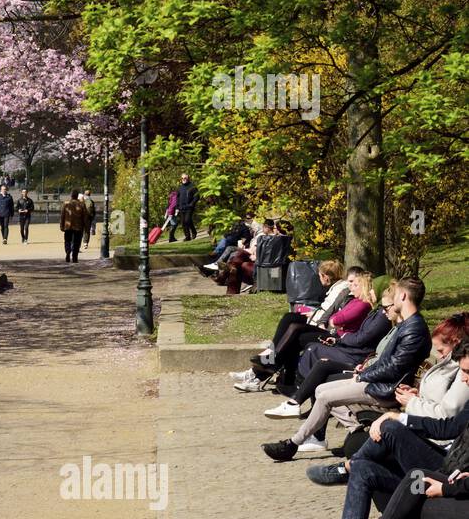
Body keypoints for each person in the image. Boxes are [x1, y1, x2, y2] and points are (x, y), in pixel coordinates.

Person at [298, 337, 469, 519]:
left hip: (451, 474)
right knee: (363, 468)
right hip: (446, 460)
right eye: (463, 371)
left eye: (467, 372)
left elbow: (447, 426)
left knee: (389, 429)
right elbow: (449, 425)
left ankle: (345, 469)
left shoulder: (415, 332)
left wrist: (401, 417)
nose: (464, 379)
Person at [262, 278, 432, 462]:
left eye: (396, 294)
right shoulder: (408, 325)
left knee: (326, 396)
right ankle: (356, 432)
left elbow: (394, 367)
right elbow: (387, 361)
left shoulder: (413, 329)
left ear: (403, 296)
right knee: (320, 389)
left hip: (386, 389)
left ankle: (292, 444)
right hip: (381, 381)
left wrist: (363, 376)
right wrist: (365, 371)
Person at [229, 261, 350, 392]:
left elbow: (327, 314)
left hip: (326, 329)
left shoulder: (340, 289)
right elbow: (326, 310)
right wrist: (312, 313)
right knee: (290, 318)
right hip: (320, 322)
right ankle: (263, 365)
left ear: (325, 276)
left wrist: (314, 317)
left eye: (319, 276)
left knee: (294, 335)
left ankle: (258, 373)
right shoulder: (337, 288)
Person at [59, 190, 89, 263]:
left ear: (71, 196)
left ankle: (68, 251)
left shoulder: (66, 204)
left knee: (67, 241)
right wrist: (86, 227)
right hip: (78, 226)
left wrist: (61, 225)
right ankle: (75, 257)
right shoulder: (81, 204)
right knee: (76, 242)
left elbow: (62, 216)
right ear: (77, 196)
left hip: (68, 226)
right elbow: (85, 216)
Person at [169, 173, 199, 242]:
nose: (183, 179)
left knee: (187, 220)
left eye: (185, 178)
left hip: (189, 207)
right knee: (183, 222)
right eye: (182, 178)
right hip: (181, 208)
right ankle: (187, 236)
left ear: (188, 178)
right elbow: (177, 198)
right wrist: (177, 208)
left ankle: (194, 232)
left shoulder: (192, 187)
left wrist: (192, 204)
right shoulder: (180, 188)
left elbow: (197, 196)